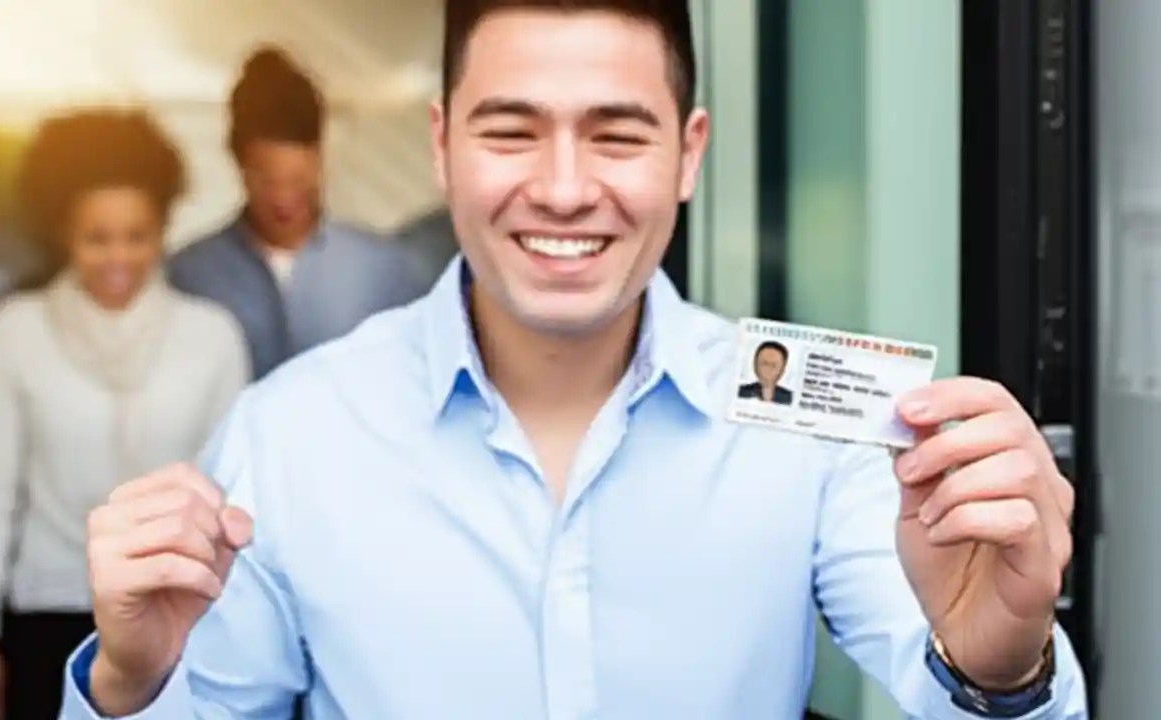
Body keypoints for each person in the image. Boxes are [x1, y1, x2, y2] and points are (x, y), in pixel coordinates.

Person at [63, 2, 1088, 718]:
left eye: (614, 135)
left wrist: (998, 669)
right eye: (511, 131)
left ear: (688, 154)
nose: (561, 189)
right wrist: (127, 688)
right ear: (441, 146)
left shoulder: (809, 434)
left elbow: (965, 680)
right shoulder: (290, 433)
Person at [0, 110, 249, 720]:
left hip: (177, 615)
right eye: (97, 237)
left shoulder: (212, 335)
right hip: (46, 616)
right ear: (65, 233)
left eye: (137, 235)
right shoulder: (14, 333)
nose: (119, 256)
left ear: (161, 232)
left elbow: (233, 493)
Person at [169, 47, 430, 380]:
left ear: (321, 158)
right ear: (237, 163)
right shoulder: (192, 274)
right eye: (266, 180)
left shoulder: (383, 270)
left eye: (298, 181)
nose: (283, 199)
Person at [738, 340, 794, 404]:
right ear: (755, 365)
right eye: (764, 363)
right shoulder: (739, 392)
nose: (768, 369)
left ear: (782, 369)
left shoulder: (791, 398)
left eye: (773, 365)